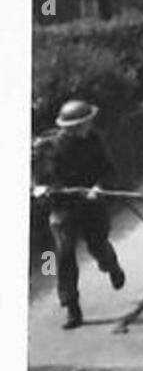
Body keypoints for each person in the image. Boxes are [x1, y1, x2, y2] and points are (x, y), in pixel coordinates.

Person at [30, 100, 127, 329]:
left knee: (98, 245)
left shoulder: (94, 140)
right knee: (63, 254)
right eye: (83, 124)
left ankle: (111, 265)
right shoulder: (49, 146)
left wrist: (100, 187)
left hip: (92, 205)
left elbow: (108, 169)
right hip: (64, 205)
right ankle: (71, 306)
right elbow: (40, 176)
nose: (88, 127)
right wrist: (42, 188)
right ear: (71, 127)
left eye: (88, 123)